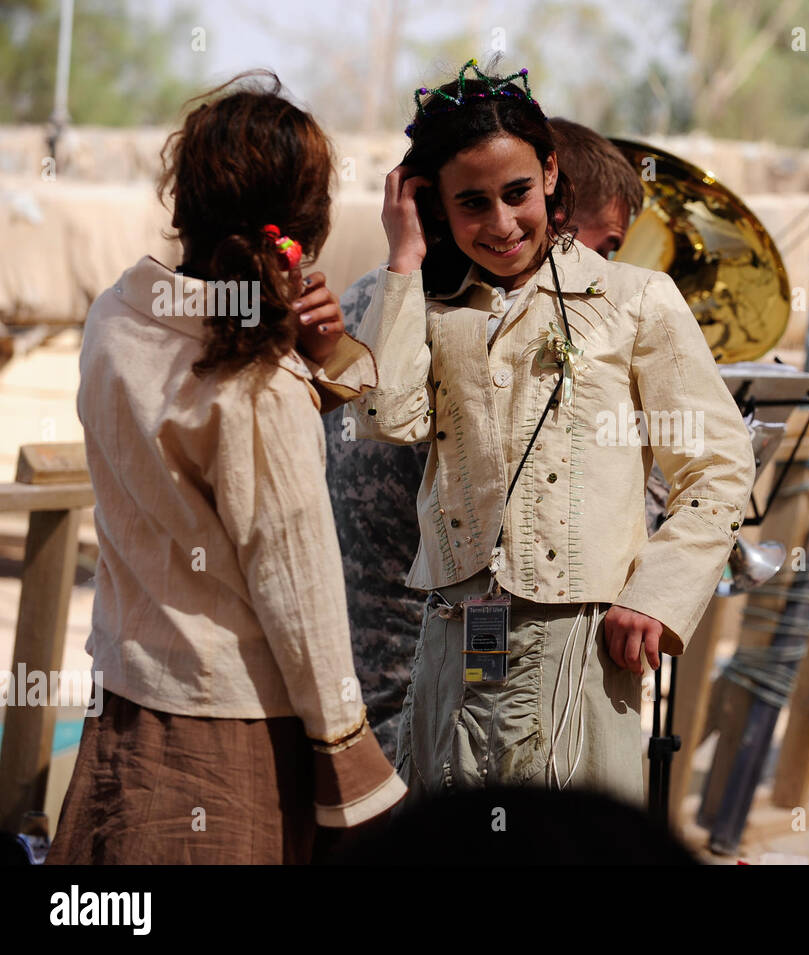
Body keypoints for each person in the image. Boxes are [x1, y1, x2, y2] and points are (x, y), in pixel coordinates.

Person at [352, 59, 755, 806]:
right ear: (434, 207)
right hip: (455, 646)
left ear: (550, 174)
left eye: (517, 194)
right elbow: (389, 416)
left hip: (586, 650)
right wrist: (404, 258)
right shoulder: (430, 308)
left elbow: (719, 464)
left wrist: (658, 595)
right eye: (471, 204)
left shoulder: (635, 298)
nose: (501, 223)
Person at [47, 73, 405, 864]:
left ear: (183, 202)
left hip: (124, 712)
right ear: (305, 228)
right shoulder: (256, 382)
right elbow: (299, 590)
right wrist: (352, 758)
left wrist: (314, 353)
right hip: (231, 741)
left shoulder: (116, 319)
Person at [325, 115, 648, 761]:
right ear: (559, 209)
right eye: (606, 247)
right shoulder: (436, 306)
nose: (605, 269)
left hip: (426, 652)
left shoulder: (403, 290)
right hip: (426, 653)